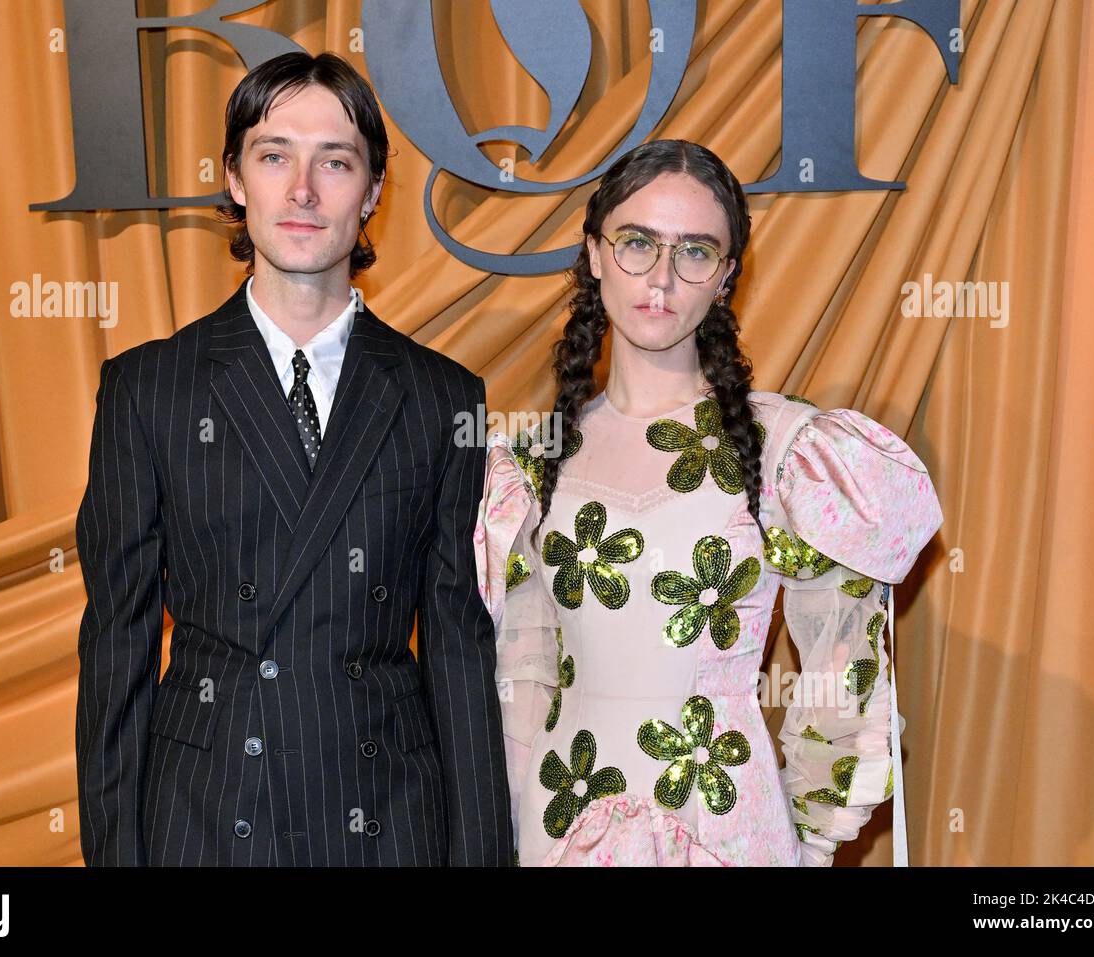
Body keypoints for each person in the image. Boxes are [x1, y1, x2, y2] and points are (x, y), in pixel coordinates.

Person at [75, 51, 512, 866]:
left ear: (374, 190)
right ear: (237, 179)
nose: (303, 191)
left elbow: (457, 651)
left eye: (335, 162)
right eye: (275, 156)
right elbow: (116, 653)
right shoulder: (149, 389)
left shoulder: (443, 397)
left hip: (387, 819)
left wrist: (481, 852)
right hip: (206, 821)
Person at [474, 139, 943, 866]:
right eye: (637, 243)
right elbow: (521, 680)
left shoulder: (789, 452)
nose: (660, 277)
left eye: (694, 251)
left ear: (725, 277)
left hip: (726, 831)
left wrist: (809, 843)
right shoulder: (529, 465)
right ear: (594, 253)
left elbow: (839, 680)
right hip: (559, 824)